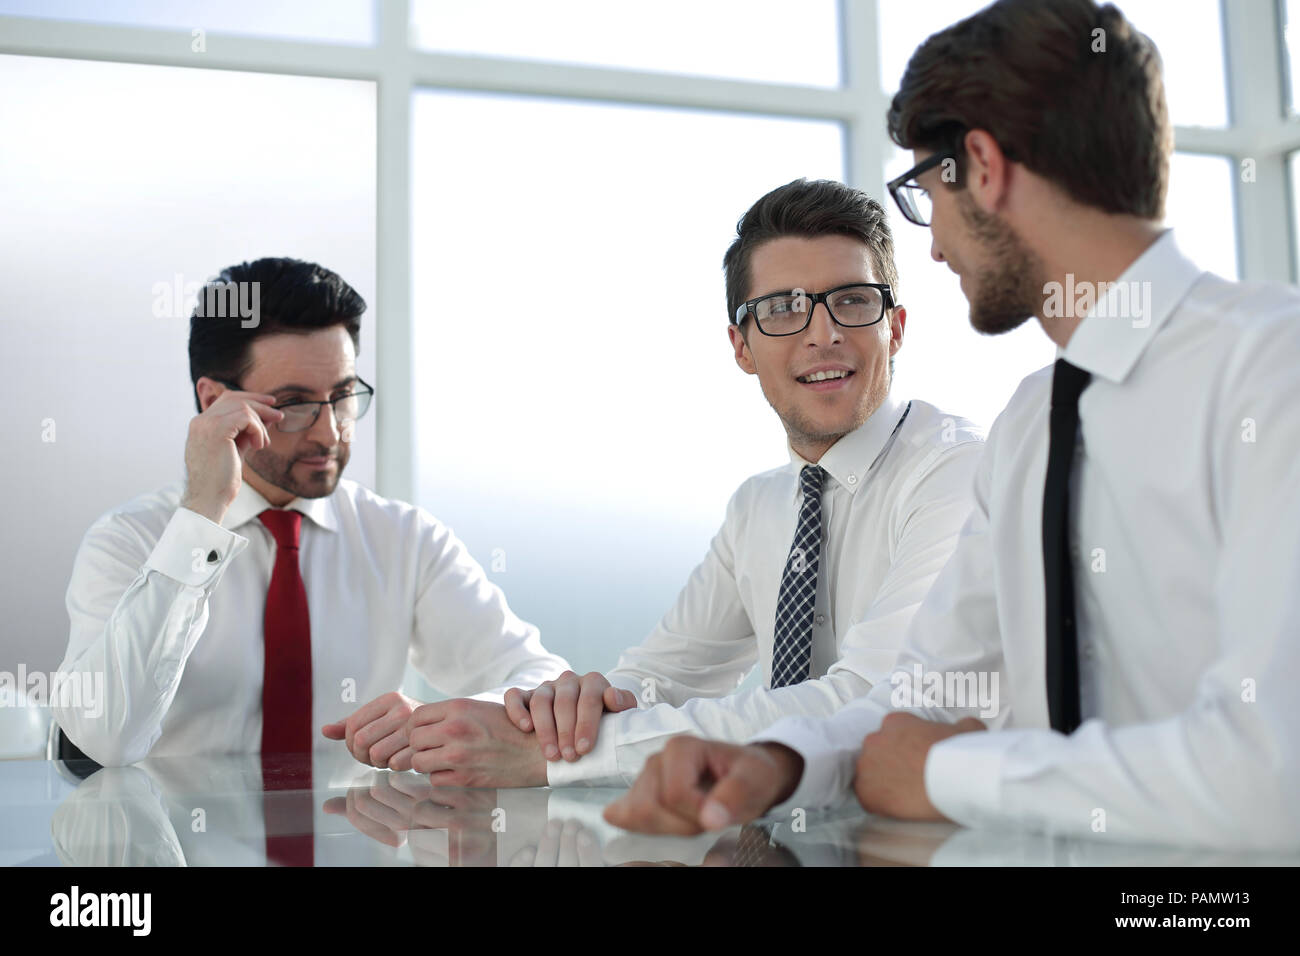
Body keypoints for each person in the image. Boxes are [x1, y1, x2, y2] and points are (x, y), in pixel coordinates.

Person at [603, 0, 1300, 850]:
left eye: (925, 195)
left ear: (982, 166)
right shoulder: (1034, 426)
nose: (932, 249)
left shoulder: (1273, 370)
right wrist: (778, 761)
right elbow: (913, 700)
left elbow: (1274, 773)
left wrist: (944, 771)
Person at [405, 180, 984, 787]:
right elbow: (660, 679)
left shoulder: (957, 471)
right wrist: (539, 722)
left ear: (893, 328)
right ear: (742, 347)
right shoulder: (759, 506)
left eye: (853, 301)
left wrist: (550, 759)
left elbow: (870, 703)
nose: (822, 334)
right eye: (784, 308)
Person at [53, 257, 569, 768]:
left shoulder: (403, 540)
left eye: (343, 396)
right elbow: (106, 740)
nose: (330, 434)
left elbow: (539, 680)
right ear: (214, 402)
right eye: (295, 404)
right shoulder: (130, 540)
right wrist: (202, 517)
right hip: (176, 845)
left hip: (356, 842)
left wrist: (443, 718)